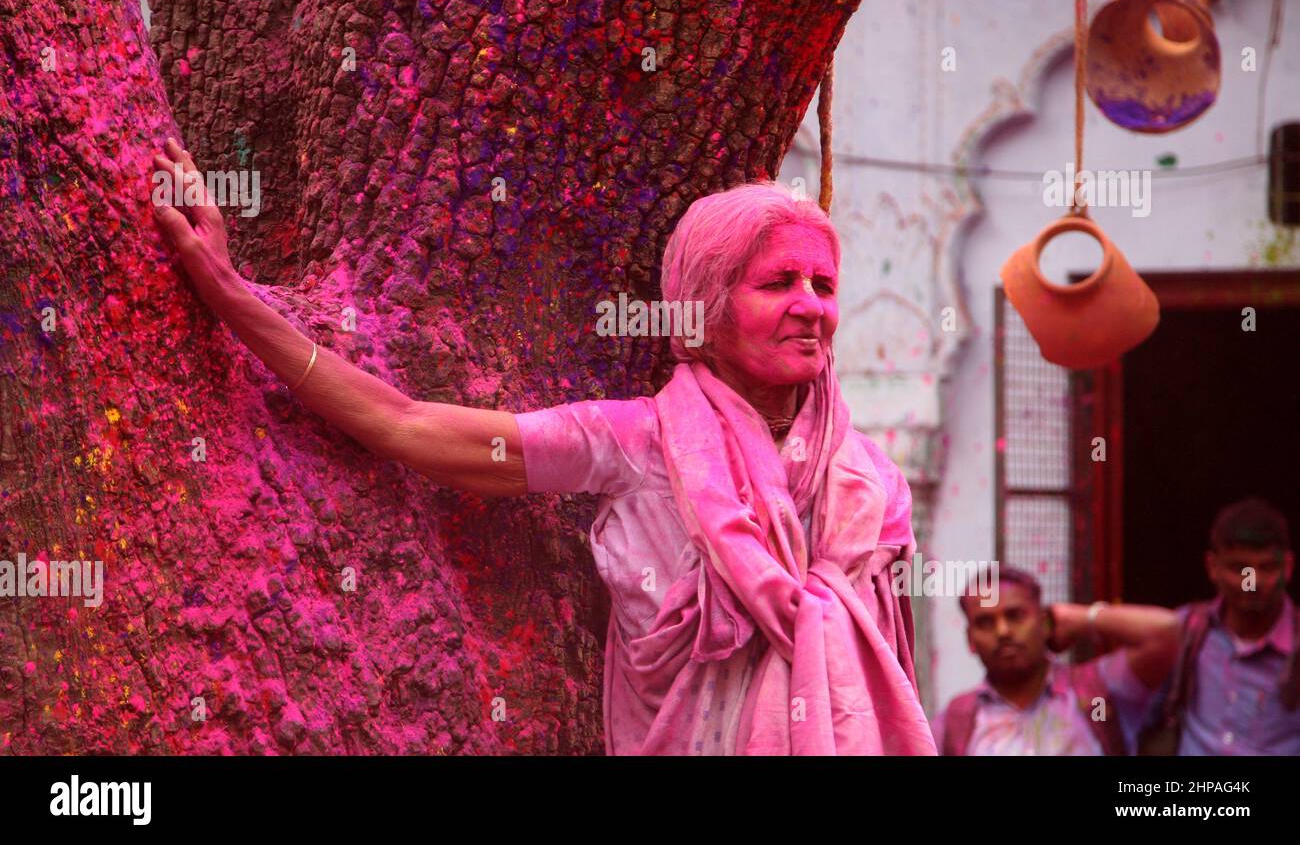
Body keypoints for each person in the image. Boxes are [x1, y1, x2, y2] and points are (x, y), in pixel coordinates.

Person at [149, 138, 937, 756]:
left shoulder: (871, 487)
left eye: (824, 286)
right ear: (705, 308)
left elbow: (887, 685)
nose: (810, 308)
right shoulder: (638, 443)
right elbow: (406, 426)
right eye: (778, 284)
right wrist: (229, 292)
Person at [934, 566, 1179, 755]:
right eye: (985, 622)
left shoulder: (1096, 694)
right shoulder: (957, 720)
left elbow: (1171, 634)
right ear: (970, 639)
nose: (1003, 632)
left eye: (1015, 616)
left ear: (1044, 622)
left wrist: (1085, 618)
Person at [1140, 497, 1300, 755]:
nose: (1252, 582)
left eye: (1267, 568)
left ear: (1288, 568)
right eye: (1239, 569)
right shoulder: (1188, 630)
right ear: (1212, 567)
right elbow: (1135, 709)